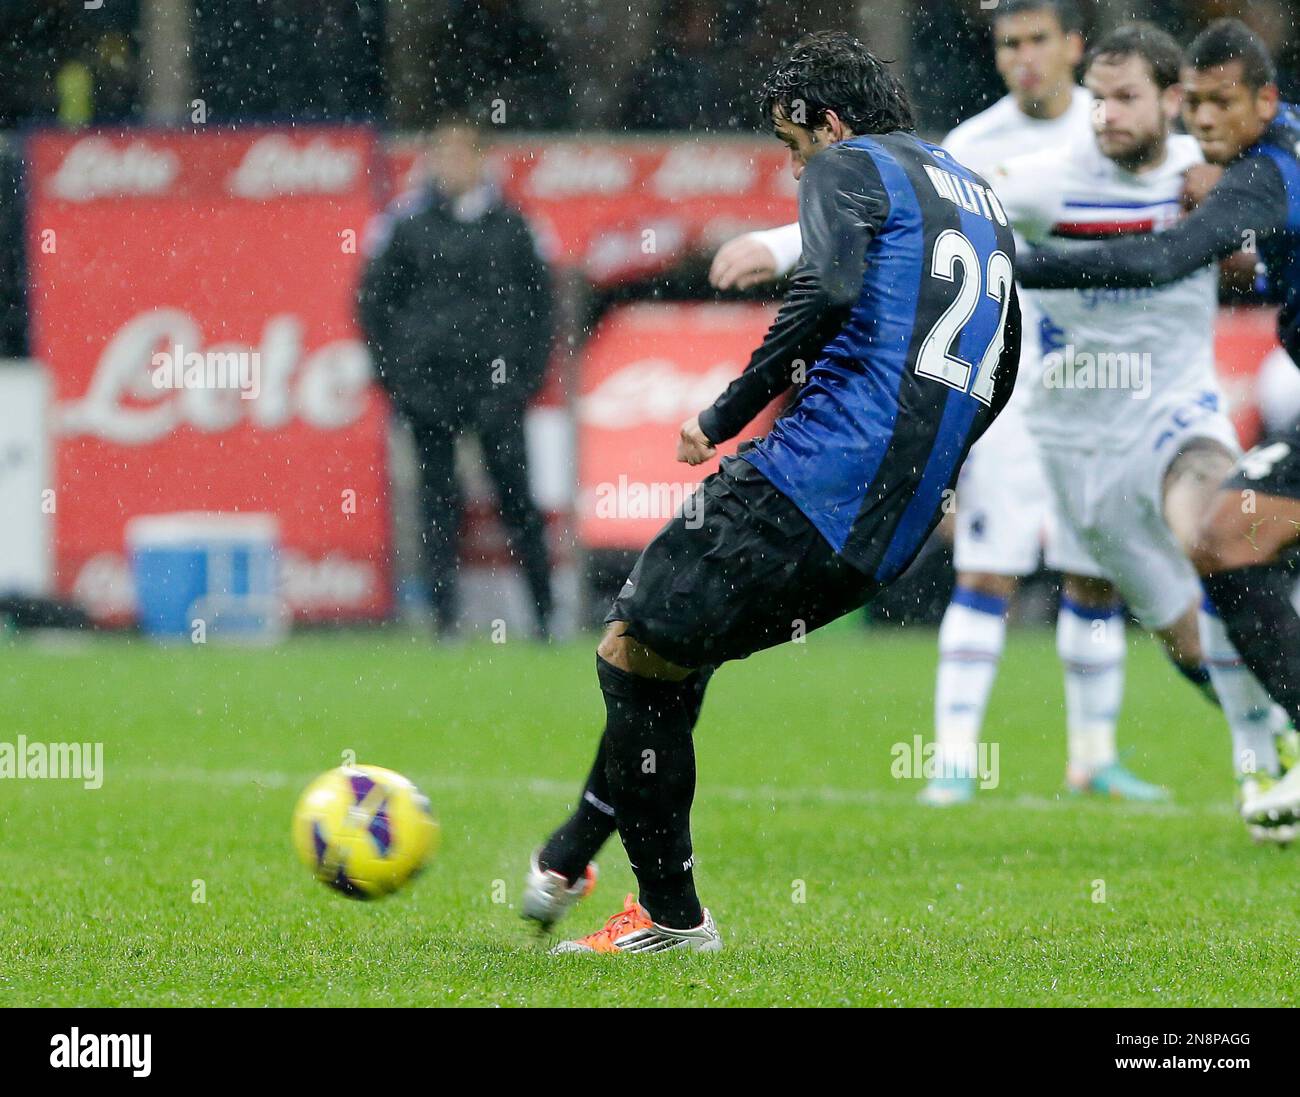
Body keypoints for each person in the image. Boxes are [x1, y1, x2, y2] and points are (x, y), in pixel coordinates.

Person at [521, 32, 1022, 954]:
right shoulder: (975, 192)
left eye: (794, 149)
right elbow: (1003, 365)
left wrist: (723, 413)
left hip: (809, 479)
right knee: (672, 643)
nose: (797, 171)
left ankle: (671, 914)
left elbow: (823, 285)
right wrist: (933, 469)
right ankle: (573, 850)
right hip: (889, 526)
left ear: (828, 124)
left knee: (635, 646)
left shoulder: (850, 163)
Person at [711, 0, 1168, 804]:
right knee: (988, 565)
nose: (1022, 58)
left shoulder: (1109, 133)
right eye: (1008, 44)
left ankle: (1093, 755)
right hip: (1007, 386)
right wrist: (783, 245)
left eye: (1036, 41)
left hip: (1104, 388)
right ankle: (954, 758)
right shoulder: (975, 144)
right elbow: (896, 212)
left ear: (1072, 47)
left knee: (1092, 573)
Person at [993, 22, 1292, 840]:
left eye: (1128, 97)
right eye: (1098, 98)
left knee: (1221, 528)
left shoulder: (1240, 174)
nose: (1107, 114)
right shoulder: (1047, 179)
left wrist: (1010, 263)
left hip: (1176, 419)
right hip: (1074, 444)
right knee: (1203, 611)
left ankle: (1271, 761)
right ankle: (1268, 750)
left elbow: (1177, 258)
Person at [357, 115, 556, 640]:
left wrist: (520, 383)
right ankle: (444, 621)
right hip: (429, 390)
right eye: (442, 154)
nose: (452, 165)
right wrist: (401, 382)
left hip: (498, 389)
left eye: (462, 154)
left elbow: (542, 311)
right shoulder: (405, 227)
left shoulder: (514, 226)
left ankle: (546, 616)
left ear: (482, 160)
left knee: (518, 499)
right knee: (436, 504)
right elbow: (373, 308)